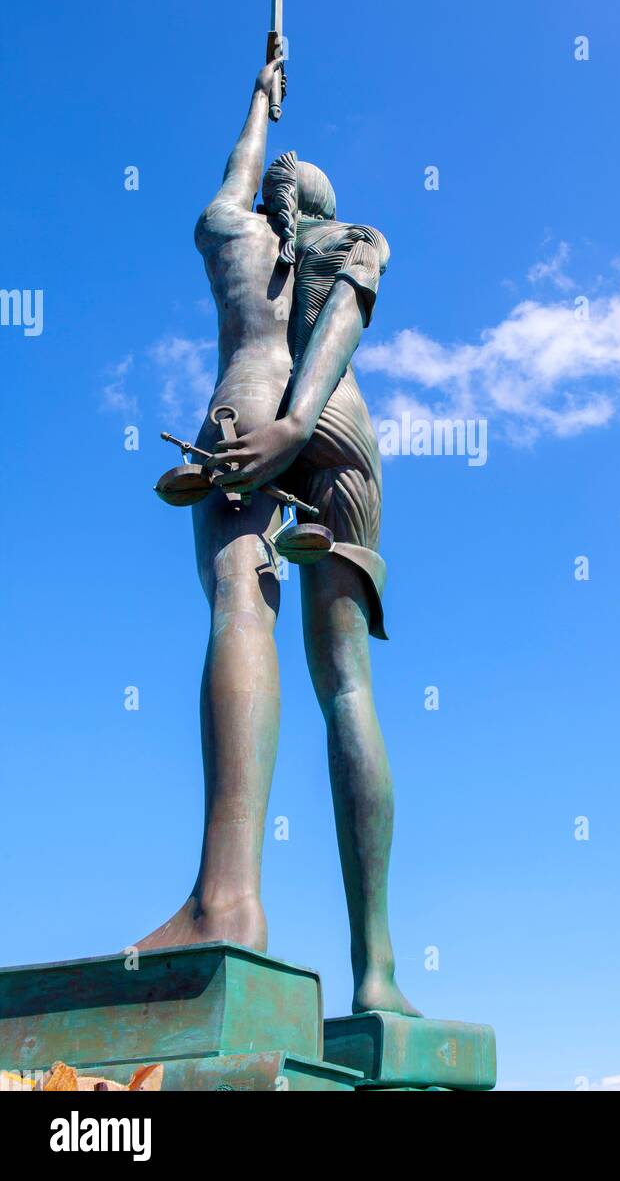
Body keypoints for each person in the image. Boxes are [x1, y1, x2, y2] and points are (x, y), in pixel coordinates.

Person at [137, 54, 418, 1017]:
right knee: (346, 682)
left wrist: (260, 103)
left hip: (254, 406)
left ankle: (226, 900)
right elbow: (345, 311)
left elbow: (233, 176)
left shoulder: (230, 236)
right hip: (342, 427)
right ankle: (376, 974)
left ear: (264, 198)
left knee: (239, 614)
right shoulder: (353, 235)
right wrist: (310, 423)